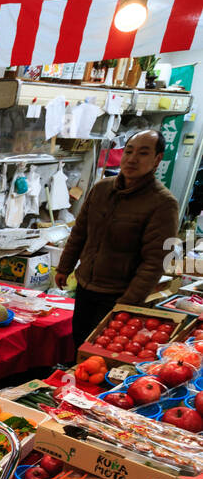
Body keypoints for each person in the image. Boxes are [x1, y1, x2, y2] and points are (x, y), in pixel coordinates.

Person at [55, 129, 179, 351]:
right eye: (128, 151)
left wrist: (128, 303)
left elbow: (155, 261)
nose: (132, 159)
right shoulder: (101, 188)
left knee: (101, 351)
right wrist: (64, 267)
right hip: (86, 286)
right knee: (79, 342)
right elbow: (80, 232)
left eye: (142, 153)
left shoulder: (162, 203)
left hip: (118, 295)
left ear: (157, 159)